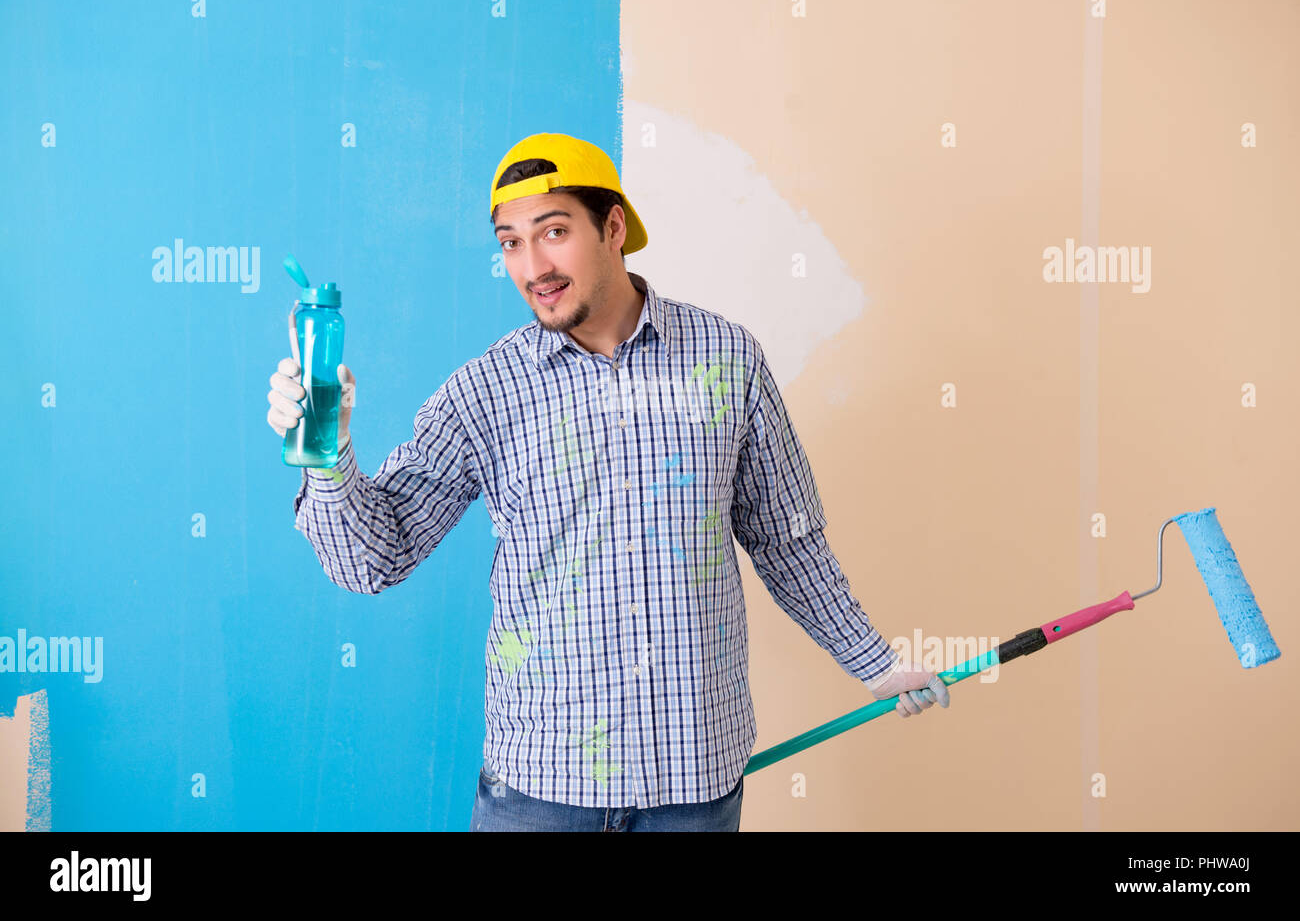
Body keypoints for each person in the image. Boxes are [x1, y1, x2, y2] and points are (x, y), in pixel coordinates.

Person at [266, 133, 950, 832]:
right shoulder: (485, 391)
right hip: (537, 793)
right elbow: (372, 559)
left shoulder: (727, 360)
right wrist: (328, 457)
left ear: (614, 226)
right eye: (510, 243)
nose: (533, 266)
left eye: (554, 232)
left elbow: (786, 540)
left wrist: (878, 664)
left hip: (691, 786)